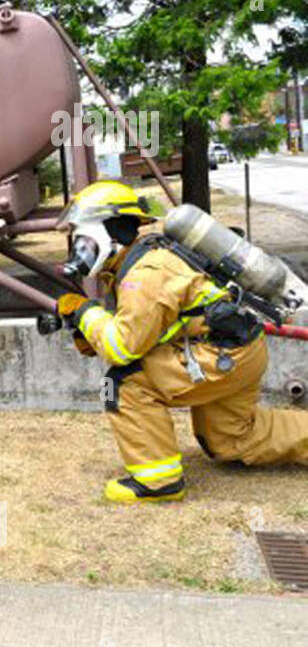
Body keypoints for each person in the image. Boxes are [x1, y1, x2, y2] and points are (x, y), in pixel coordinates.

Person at [55, 180, 308, 503]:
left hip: (221, 356)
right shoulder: (139, 260)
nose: (76, 244)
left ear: (108, 231)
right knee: (232, 441)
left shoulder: (145, 274)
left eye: (80, 234)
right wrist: (85, 325)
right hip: (238, 349)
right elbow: (145, 330)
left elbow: (122, 348)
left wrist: (84, 311)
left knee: (125, 383)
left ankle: (158, 482)